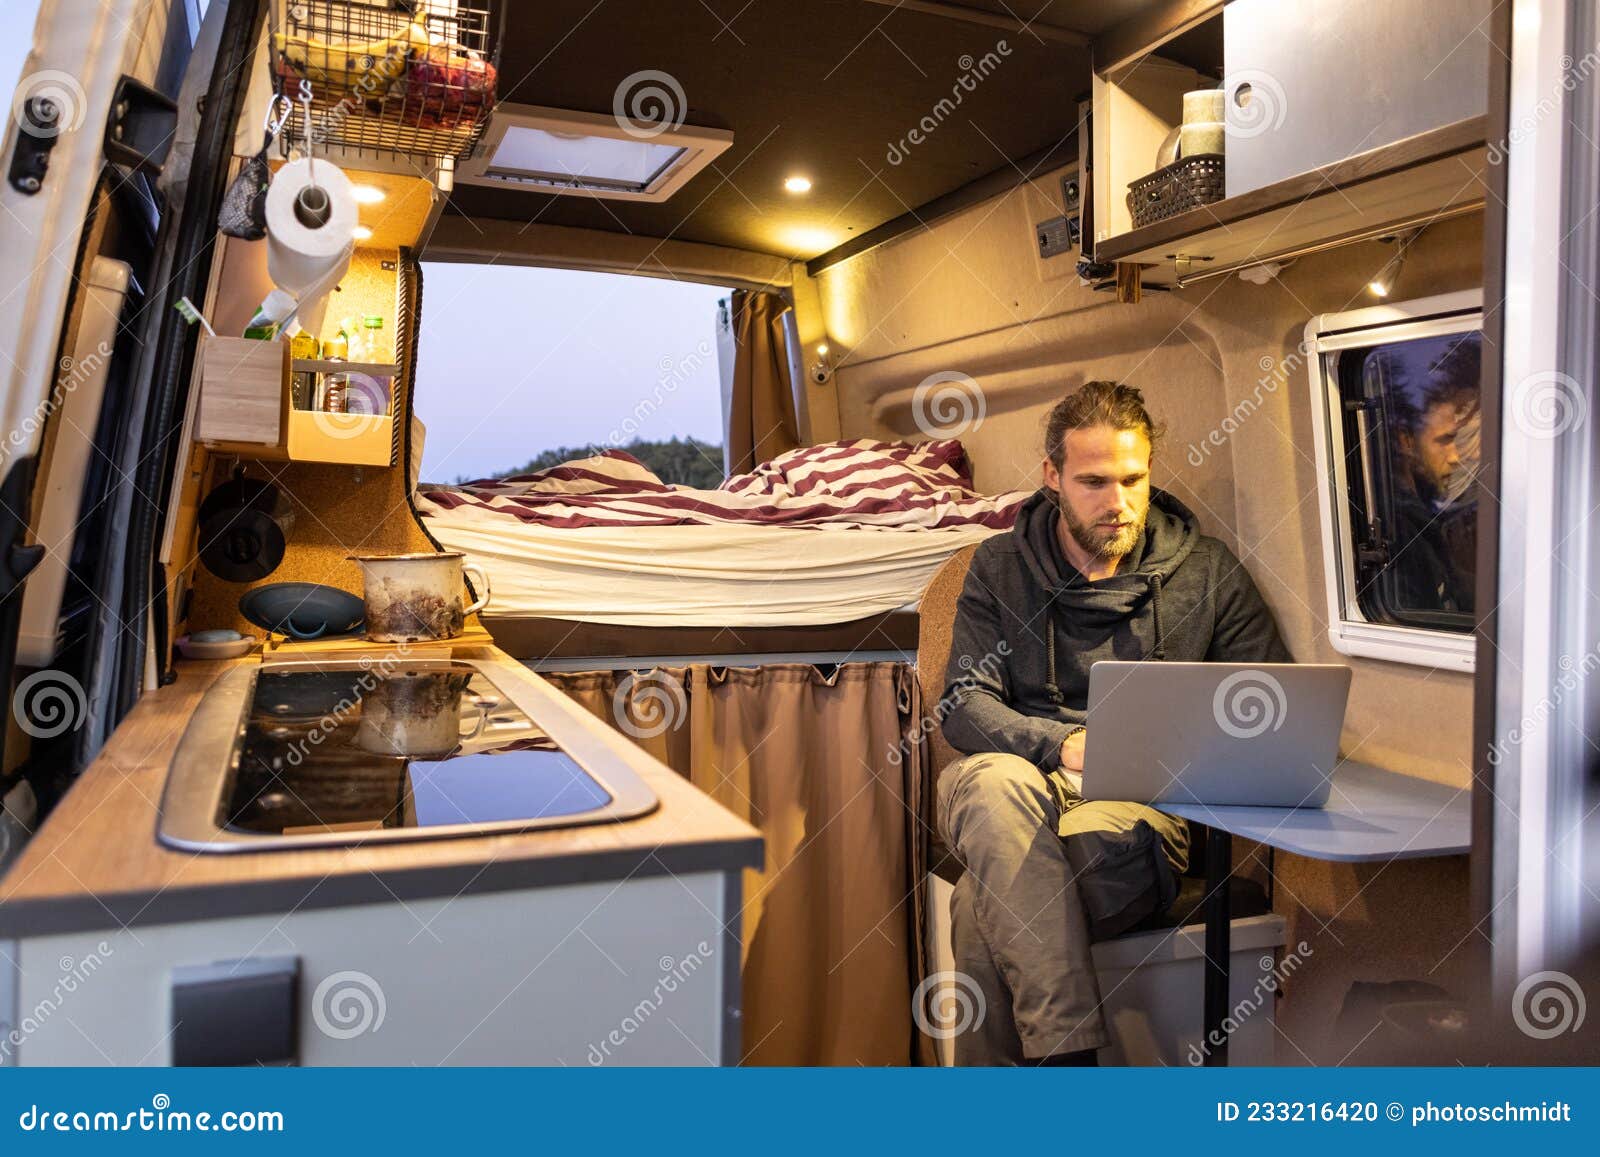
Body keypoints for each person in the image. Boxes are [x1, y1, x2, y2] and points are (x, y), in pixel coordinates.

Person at [935, 380, 1291, 1066]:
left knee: (984, 908)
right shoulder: (1000, 566)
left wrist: (1171, 750)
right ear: (1052, 477)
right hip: (1018, 783)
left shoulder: (1207, 573)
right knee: (991, 784)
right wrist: (1063, 744)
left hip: (1137, 803)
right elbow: (963, 704)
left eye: (1134, 478)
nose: (1118, 501)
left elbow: (1272, 706)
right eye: (1094, 481)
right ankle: (1071, 1067)